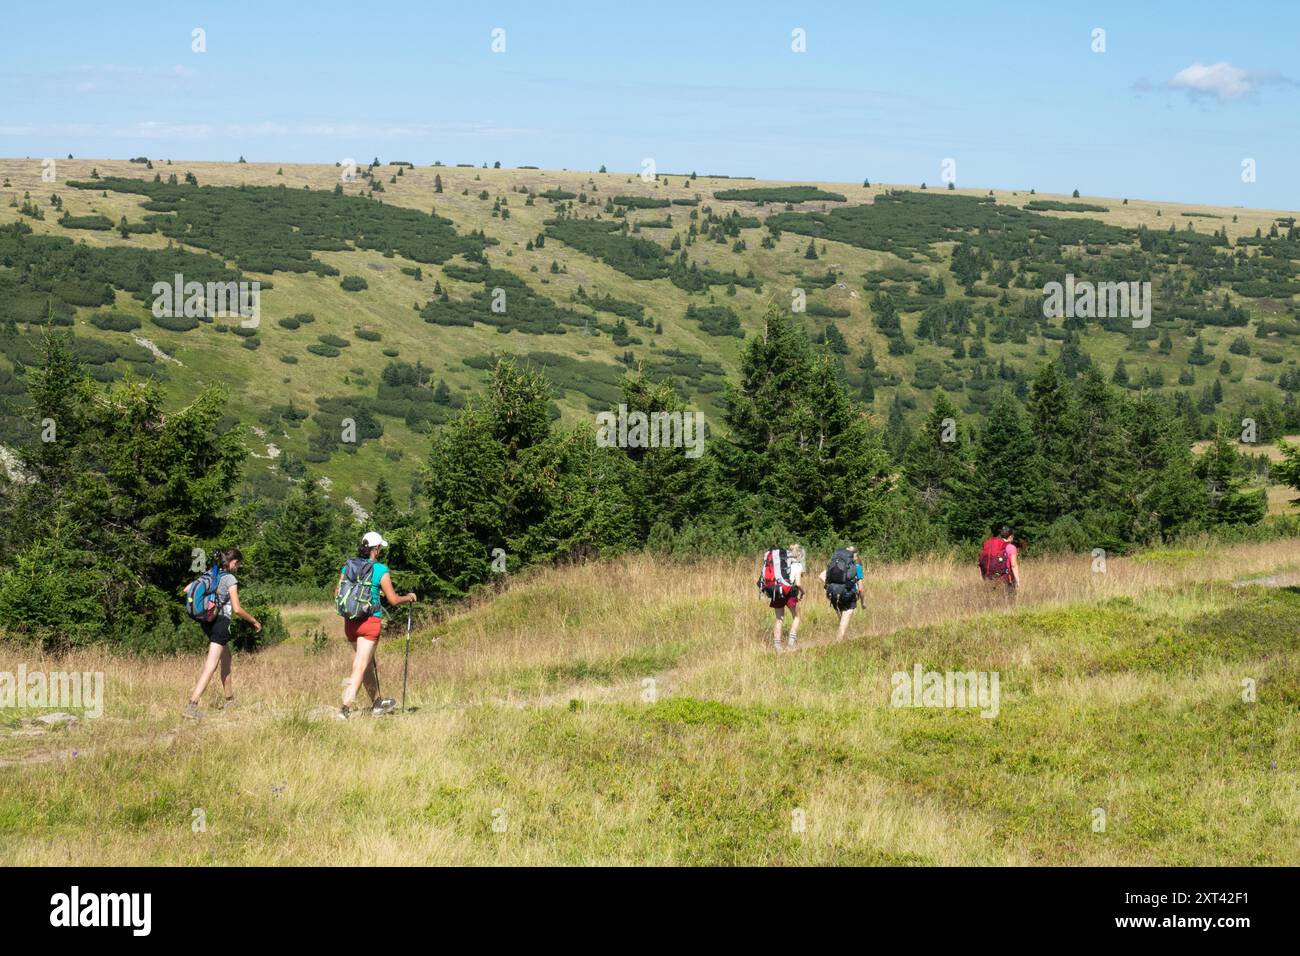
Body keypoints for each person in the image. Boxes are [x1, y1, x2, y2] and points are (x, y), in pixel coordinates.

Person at [338, 531, 417, 720]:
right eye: (379, 548)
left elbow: (338, 592)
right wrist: (409, 597)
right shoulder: (380, 570)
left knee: (365, 666)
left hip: (350, 622)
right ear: (376, 549)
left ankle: (377, 703)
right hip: (370, 622)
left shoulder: (347, 566)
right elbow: (393, 599)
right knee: (361, 665)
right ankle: (345, 707)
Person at [183, 548, 260, 718]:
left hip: (207, 622)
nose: (238, 567)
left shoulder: (212, 573)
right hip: (221, 623)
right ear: (233, 562)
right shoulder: (230, 579)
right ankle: (192, 706)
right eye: (238, 564)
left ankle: (229, 700)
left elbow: (187, 589)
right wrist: (254, 621)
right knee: (211, 665)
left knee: (226, 659)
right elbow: (238, 609)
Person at [819, 544, 863, 641]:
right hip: (848, 595)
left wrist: (829, 585)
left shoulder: (837, 563)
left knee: (841, 622)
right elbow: (860, 588)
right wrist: (863, 602)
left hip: (834, 594)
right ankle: (837, 645)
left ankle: (843, 641)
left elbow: (821, 576)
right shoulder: (857, 567)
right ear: (855, 555)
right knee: (843, 624)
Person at [768, 543, 805, 652]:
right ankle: (791, 644)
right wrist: (803, 592)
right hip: (790, 593)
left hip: (777, 591)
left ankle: (777, 647)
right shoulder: (797, 565)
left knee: (779, 619)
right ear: (798, 553)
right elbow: (798, 583)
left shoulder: (782, 563)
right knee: (797, 616)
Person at [978, 526, 1020, 596]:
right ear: (1010, 536)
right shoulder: (1011, 547)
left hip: (990, 579)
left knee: (993, 602)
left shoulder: (994, 546)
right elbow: (1013, 565)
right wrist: (1018, 581)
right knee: (1009, 602)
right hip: (1006, 580)